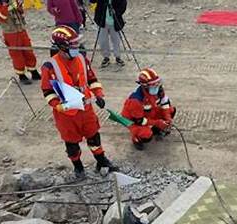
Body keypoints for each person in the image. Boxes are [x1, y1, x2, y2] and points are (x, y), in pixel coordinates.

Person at [41, 25, 118, 179]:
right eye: (73, 45)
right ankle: (78, 167)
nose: (77, 47)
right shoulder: (50, 67)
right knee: (71, 144)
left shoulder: (82, 59)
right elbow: (47, 91)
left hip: (86, 109)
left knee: (94, 137)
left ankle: (101, 161)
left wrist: (99, 94)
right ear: (62, 48)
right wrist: (58, 105)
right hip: (66, 114)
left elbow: (92, 79)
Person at [121, 68, 176, 150]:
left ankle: (156, 129)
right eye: (154, 85)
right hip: (134, 119)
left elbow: (165, 104)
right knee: (146, 134)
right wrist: (157, 122)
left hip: (148, 113)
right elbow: (139, 121)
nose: (157, 86)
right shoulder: (136, 100)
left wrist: (168, 118)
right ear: (145, 86)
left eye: (158, 83)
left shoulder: (159, 91)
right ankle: (136, 138)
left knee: (171, 110)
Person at [0, 0, 41, 84]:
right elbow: (1, 18)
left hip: (21, 28)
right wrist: (5, 5)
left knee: (28, 50)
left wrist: (19, 5)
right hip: (10, 32)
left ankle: (33, 71)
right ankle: (21, 75)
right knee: (16, 53)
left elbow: (20, 11)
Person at [90, 0, 127, 68]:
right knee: (103, 41)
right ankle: (106, 57)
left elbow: (123, 4)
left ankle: (118, 56)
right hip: (102, 20)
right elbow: (92, 1)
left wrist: (117, 12)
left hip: (115, 21)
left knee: (116, 40)